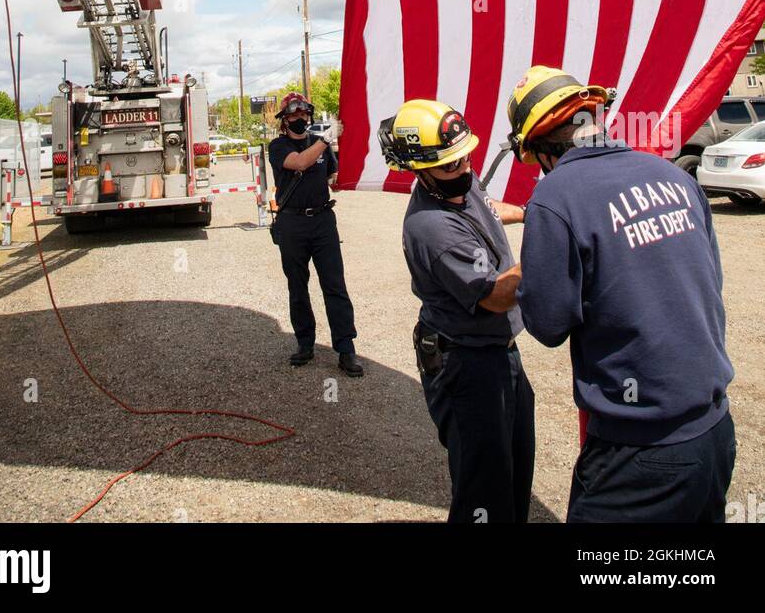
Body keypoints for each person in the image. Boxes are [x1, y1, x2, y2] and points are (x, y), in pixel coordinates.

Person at [509, 65, 736, 524]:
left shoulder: (555, 198)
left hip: (639, 452)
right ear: (595, 114)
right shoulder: (672, 176)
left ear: (537, 149)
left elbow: (549, 325)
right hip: (715, 432)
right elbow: (709, 277)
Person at [379, 100, 534, 524]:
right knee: (483, 491)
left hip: (499, 353)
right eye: (449, 165)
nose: (463, 168)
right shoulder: (432, 228)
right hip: (466, 364)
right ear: (417, 169)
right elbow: (498, 296)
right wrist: (554, 241)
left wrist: (532, 214)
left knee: (515, 471)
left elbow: (489, 205)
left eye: (465, 157)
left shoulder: (457, 177)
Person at [268, 92, 363, 376]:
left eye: (303, 114)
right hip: (292, 223)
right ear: (284, 120)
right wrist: (325, 139)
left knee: (335, 285)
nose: (299, 119)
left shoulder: (320, 145)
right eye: (293, 115)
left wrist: (343, 178)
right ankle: (305, 343)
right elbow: (299, 163)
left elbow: (332, 176)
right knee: (298, 286)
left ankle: (346, 349)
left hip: (322, 221)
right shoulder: (278, 146)